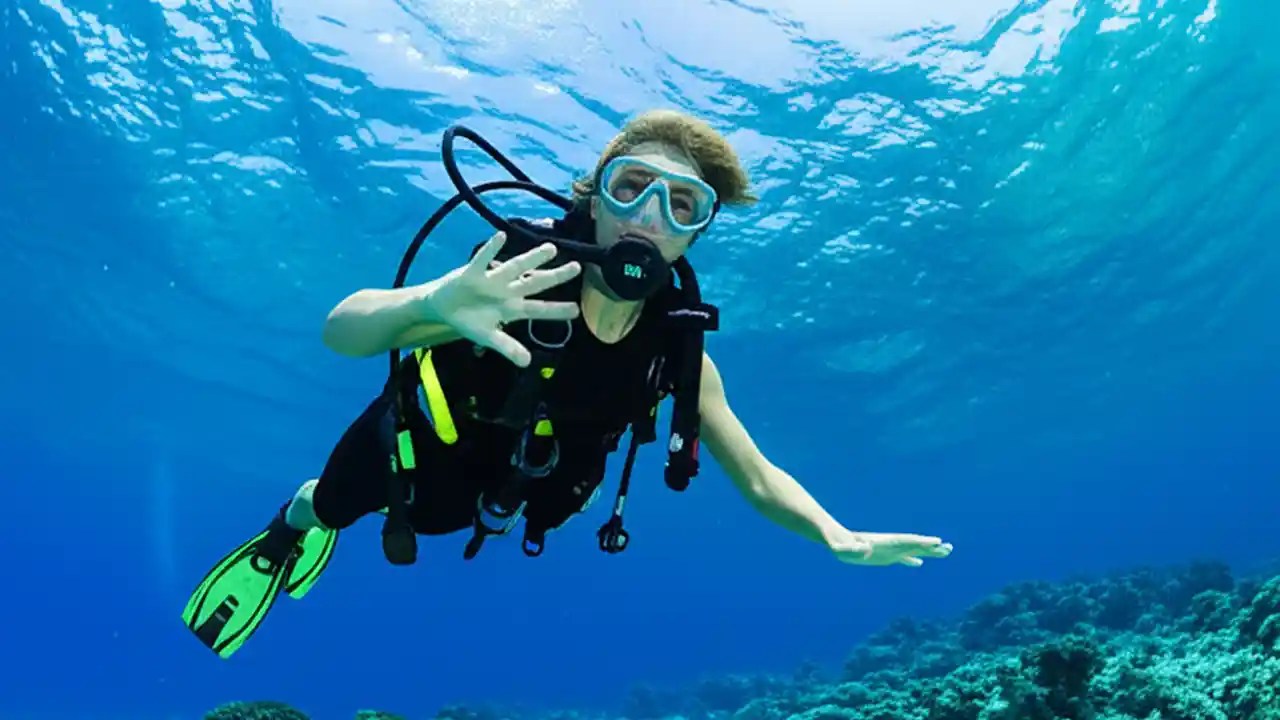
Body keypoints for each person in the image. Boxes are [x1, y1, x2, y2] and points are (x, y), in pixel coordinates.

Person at [181, 109, 954, 659]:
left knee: (455, 521)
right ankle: (292, 523)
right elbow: (343, 328)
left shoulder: (677, 352)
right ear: (594, 196)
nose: (651, 216)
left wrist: (834, 534)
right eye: (633, 187)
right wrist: (433, 302)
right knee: (337, 504)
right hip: (412, 458)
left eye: (681, 204)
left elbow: (755, 474)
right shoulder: (511, 279)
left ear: (695, 232)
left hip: (513, 495)